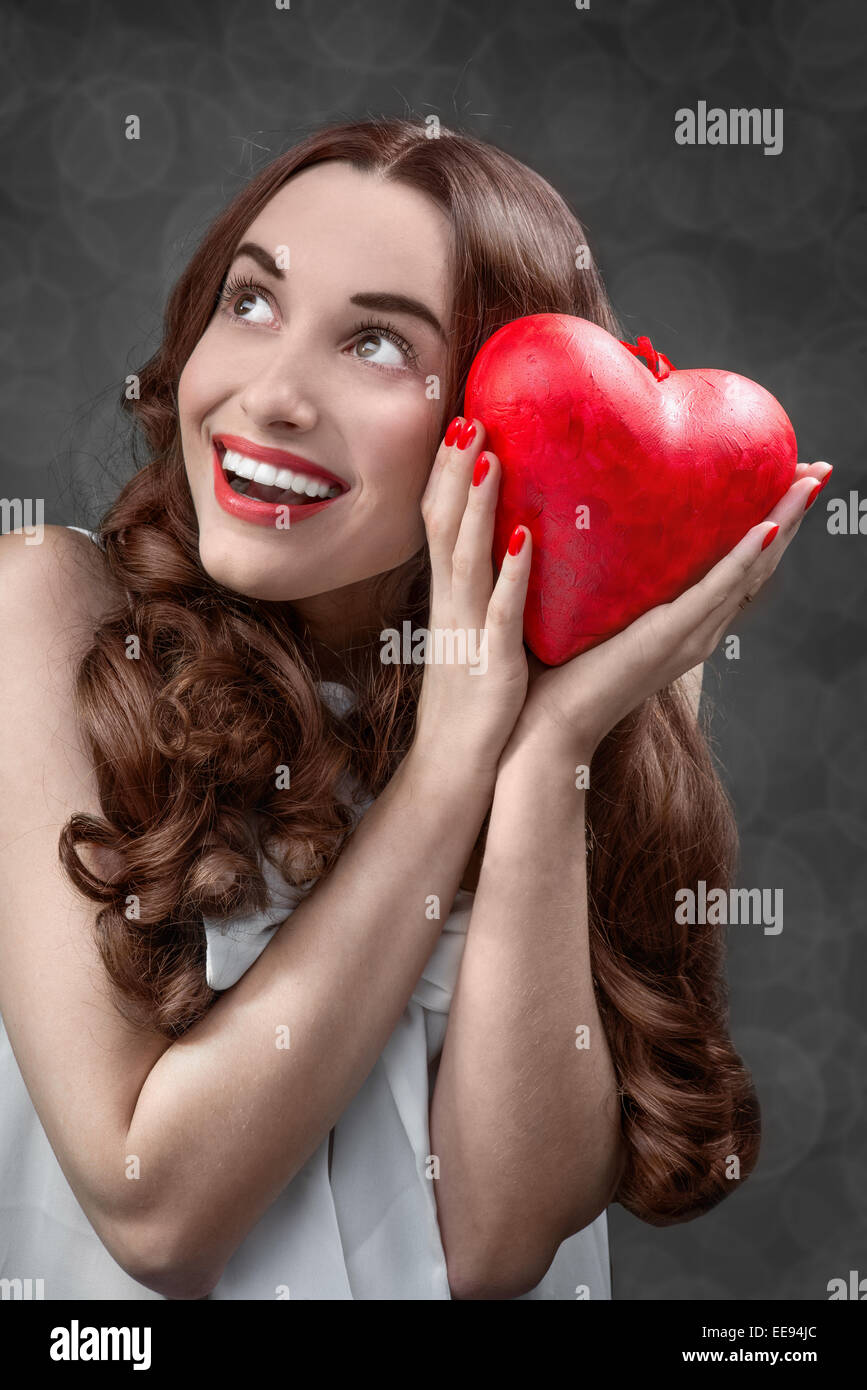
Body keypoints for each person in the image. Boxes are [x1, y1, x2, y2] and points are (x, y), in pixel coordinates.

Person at [0, 117, 831, 1301]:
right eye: (250, 303)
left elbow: (494, 1249)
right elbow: (156, 1207)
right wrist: (451, 768)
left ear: (507, 413)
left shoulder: (584, 706)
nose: (272, 394)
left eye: (378, 344)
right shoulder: (45, 607)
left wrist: (545, 752)